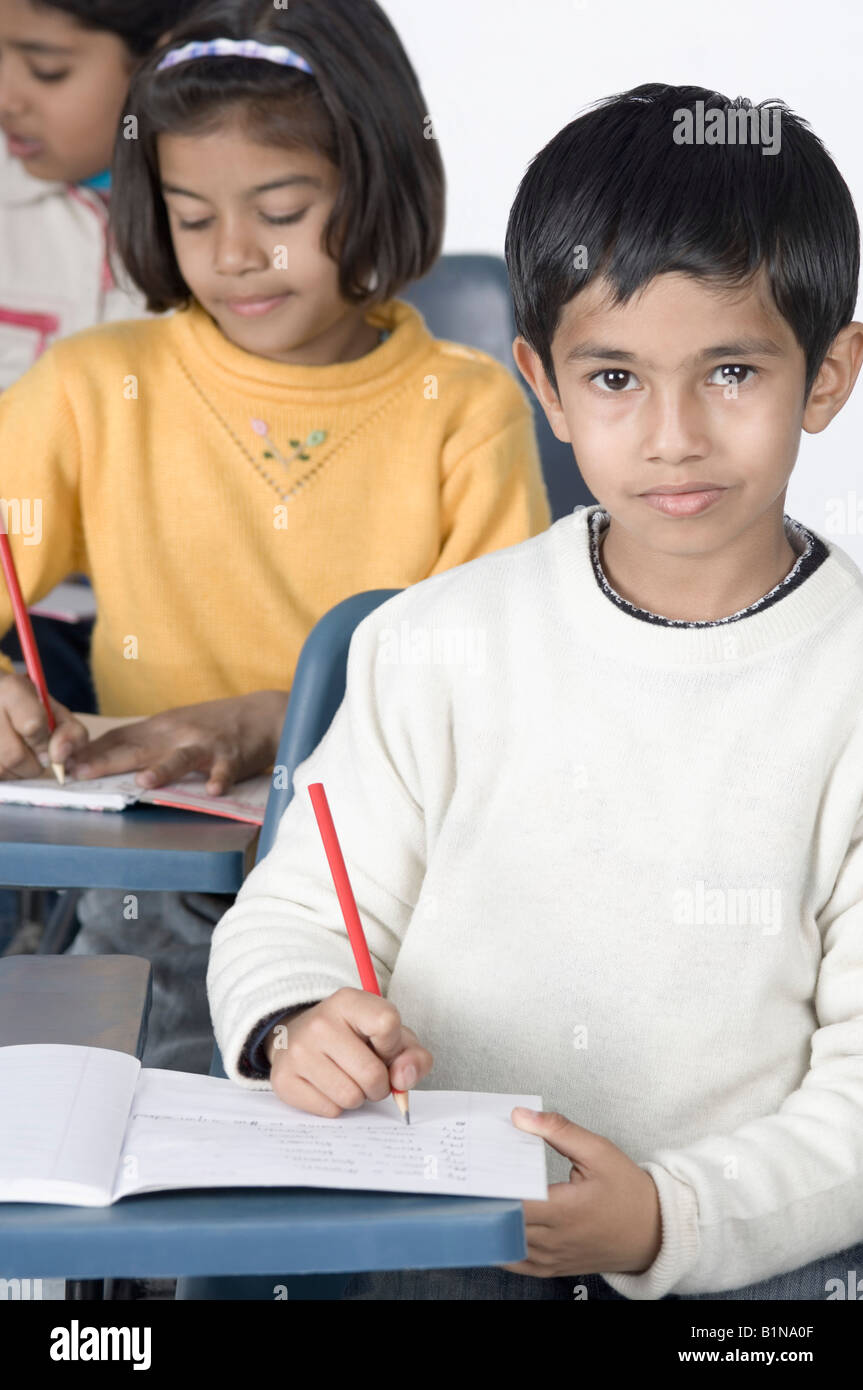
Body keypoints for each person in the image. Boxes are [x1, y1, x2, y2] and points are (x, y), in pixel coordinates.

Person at [207, 84, 863, 1300]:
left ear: (826, 375)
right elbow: (291, 912)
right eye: (612, 379)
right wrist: (294, 1023)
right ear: (544, 386)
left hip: (740, 1265)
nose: (669, 435)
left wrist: (663, 1218)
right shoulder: (431, 642)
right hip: (433, 1233)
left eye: (728, 369)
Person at [0, 0, 550, 1067]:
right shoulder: (89, 388)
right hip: (153, 888)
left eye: (282, 208)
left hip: (391, 887)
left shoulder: (462, 406)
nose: (236, 255)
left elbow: (493, 690)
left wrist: (275, 721)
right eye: (192, 217)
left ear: (376, 183)